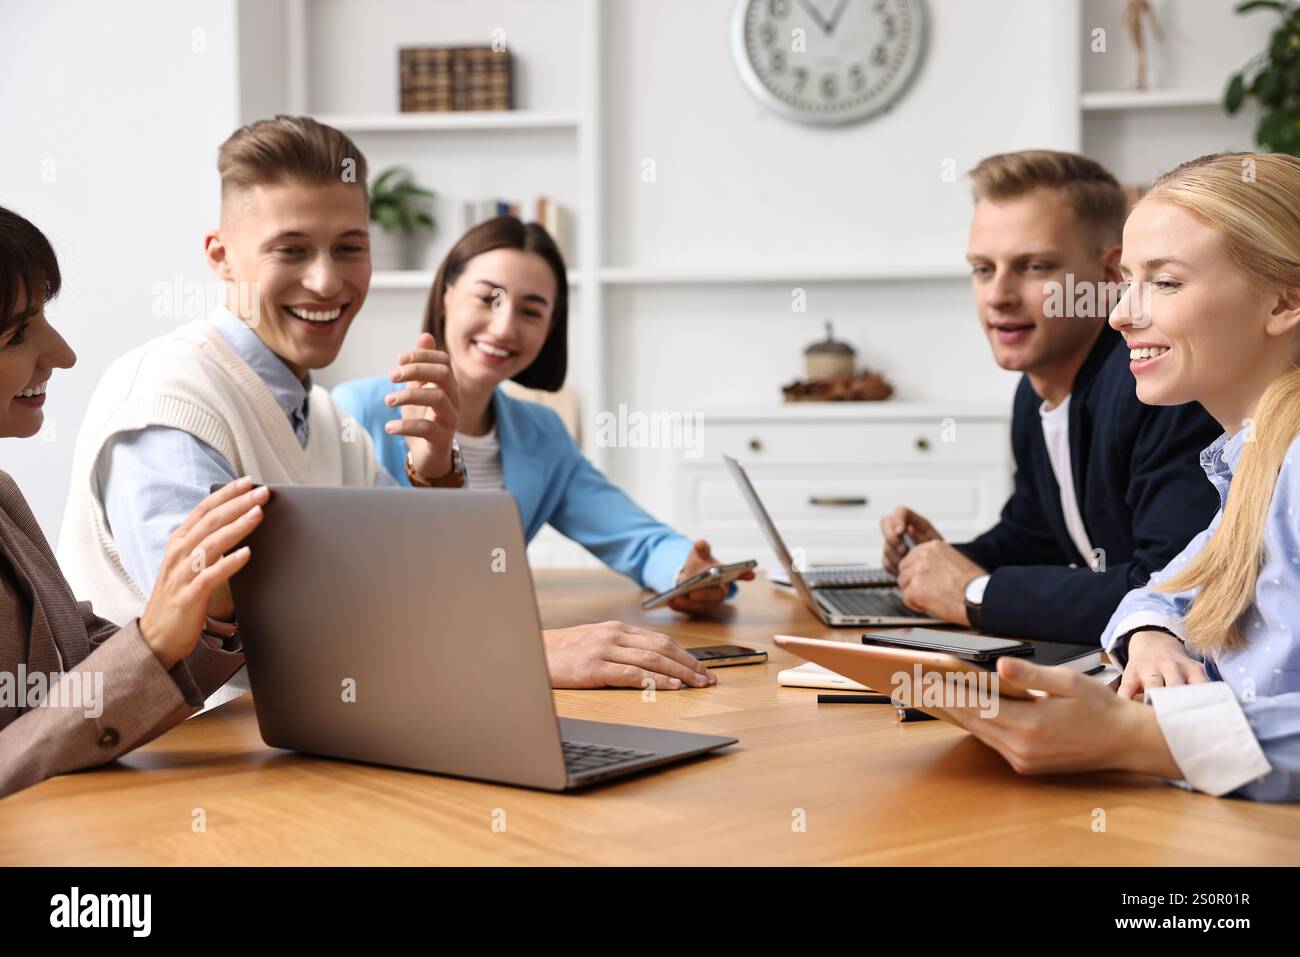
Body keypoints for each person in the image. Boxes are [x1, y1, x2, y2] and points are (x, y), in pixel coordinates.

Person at [57, 116, 467, 711]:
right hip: (180, 778)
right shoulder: (169, 404)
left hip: (310, 746)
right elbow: (227, 651)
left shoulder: (329, 423)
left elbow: (421, 588)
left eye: (349, 247)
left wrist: (434, 473)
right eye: (291, 250)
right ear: (221, 257)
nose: (327, 281)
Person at [942, 152, 1300, 801]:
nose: (1119, 315)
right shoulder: (1253, 463)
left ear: (1284, 301)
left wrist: (1134, 738)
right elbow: (1164, 588)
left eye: (1164, 283)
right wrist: (1152, 635)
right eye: (1129, 281)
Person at [333, 217, 753, 689]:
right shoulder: (352, 413)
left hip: (502, 685)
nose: (504, 325)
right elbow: (340, 600)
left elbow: (638, 539)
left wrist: (690, 573)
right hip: (396, 680)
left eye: (532, 311)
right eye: (487, 298)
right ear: (446, 293)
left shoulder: (541, 433)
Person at [881, 150, 1221, 644]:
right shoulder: (1034, 390)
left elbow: (1168, 588)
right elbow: (1034, 534)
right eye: (982, 269)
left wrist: (975, 591)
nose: (998, 295)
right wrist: (937, 559)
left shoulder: (1161, 387)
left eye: (1033, 266)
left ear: (1110, 277)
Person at [0, 205, 263, 798]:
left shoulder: (4, 497)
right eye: (18, 333)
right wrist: (158, 641)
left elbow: (77, 664)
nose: (63, 354)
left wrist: (207, 617)